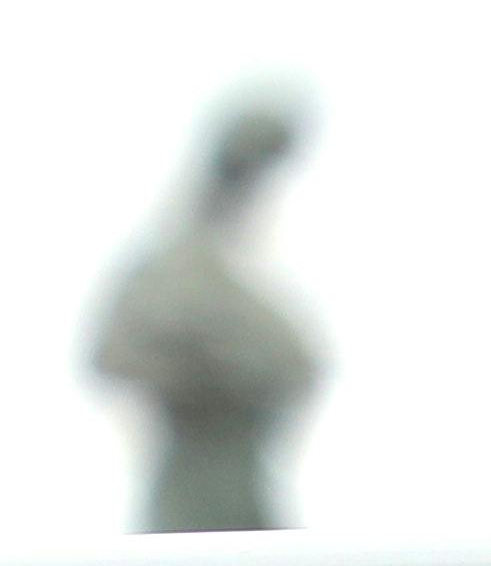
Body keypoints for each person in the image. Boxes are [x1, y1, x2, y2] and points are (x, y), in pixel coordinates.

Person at [89, 93, 320, 538]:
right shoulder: (175, 271)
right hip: (191, 494)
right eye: (245, 170)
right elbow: (110, 357)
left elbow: (301, 367)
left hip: (248, 489)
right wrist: (207, 373)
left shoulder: (247, 281)